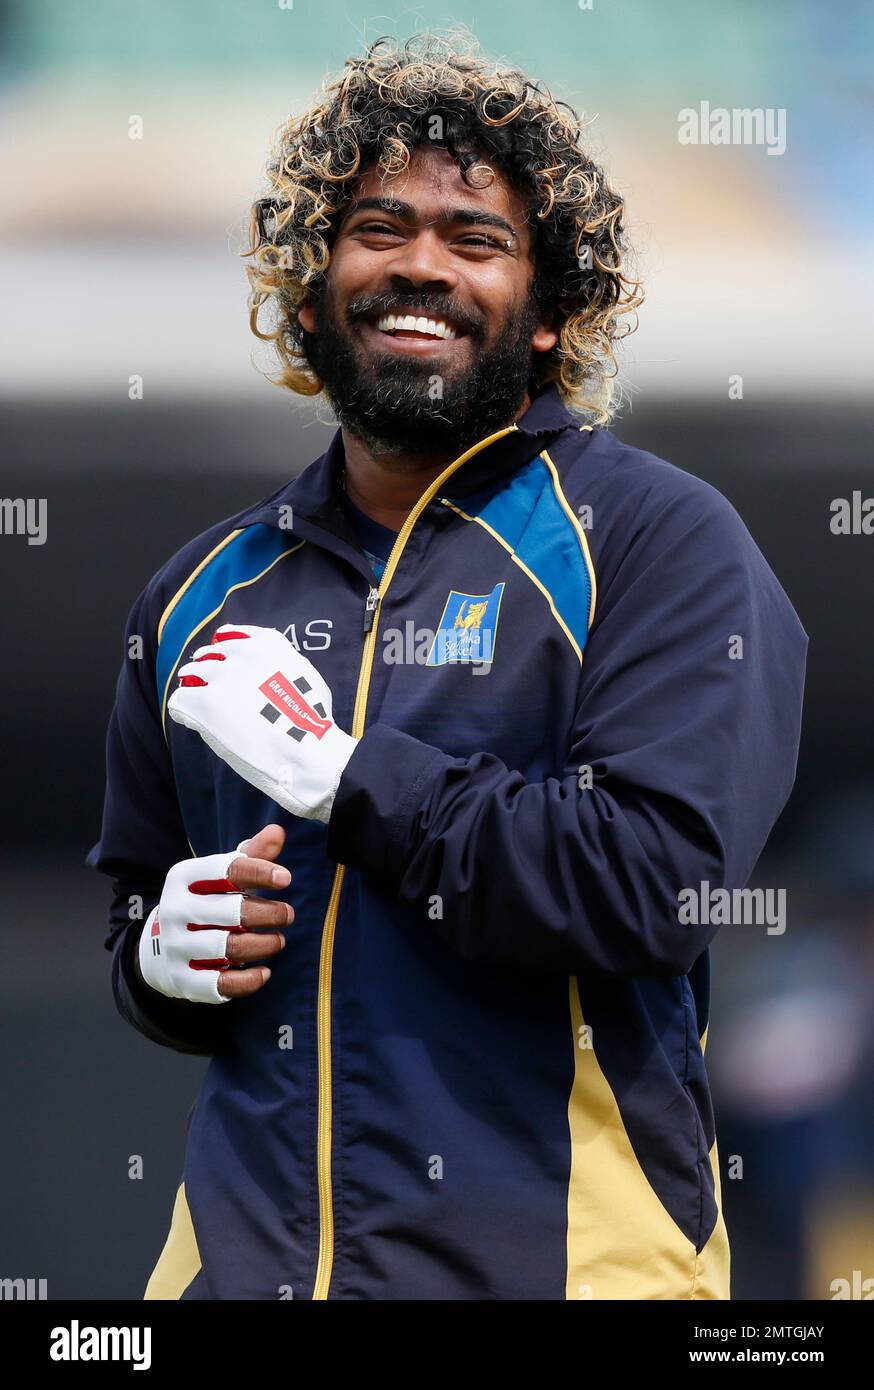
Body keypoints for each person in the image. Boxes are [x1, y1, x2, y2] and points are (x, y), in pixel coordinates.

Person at [87, 31, 807, 1300]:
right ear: (310, 290)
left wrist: (350, 774)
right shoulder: (197, 590)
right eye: (378, 226)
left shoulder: (658, 541)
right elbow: (141, 910)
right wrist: (160, 957)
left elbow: (656, 886)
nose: (420, 263)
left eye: (475, 240)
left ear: (548, 317)